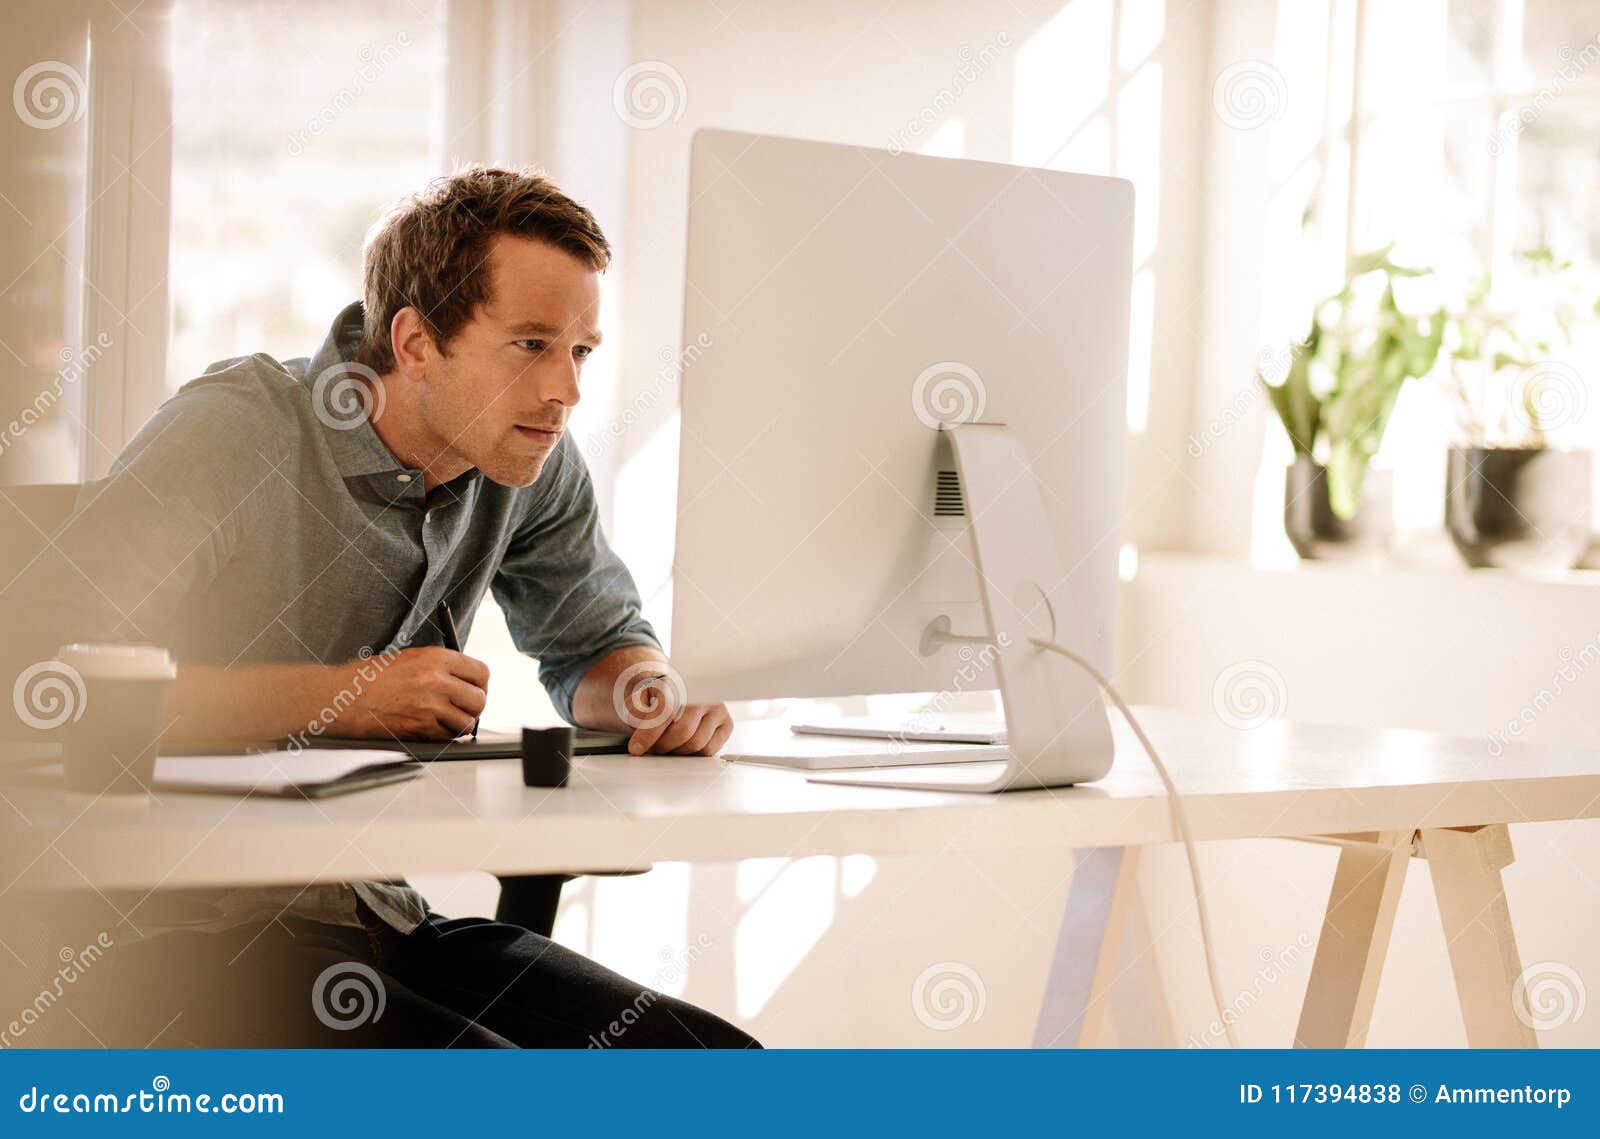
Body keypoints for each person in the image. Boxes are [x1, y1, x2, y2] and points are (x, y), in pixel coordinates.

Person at [32, 165, 756, 1048]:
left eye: (582, 352)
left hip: (375, 917)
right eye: (531, 344)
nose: (566, 389)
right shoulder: (234, 433)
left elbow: (594, 643)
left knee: (718, 1066)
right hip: (167, 936)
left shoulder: (526, 461)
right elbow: (46, 691)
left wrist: (650, 694)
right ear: (415, 341)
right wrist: (346, 694)